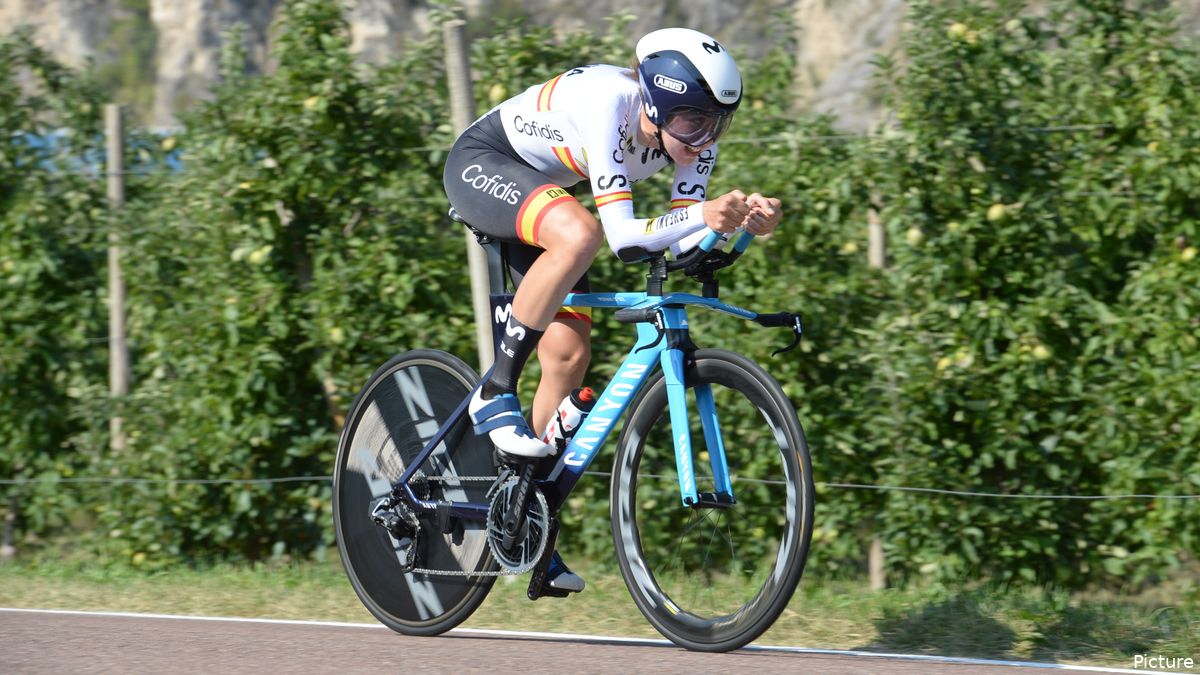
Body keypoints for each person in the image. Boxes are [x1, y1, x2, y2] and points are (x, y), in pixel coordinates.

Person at [441, 27, 783, 595]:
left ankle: (523, 521)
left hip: (543, 195)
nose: (703, 140)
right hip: (485, 164)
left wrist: (739, 223)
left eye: (717, 124)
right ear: (654, 101)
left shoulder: (694, 138)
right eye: (692, 122)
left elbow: (674, 245)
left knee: (570, 356)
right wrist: (705, 214)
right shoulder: (609, 103)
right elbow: (624, 240)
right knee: (581, 233)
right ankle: (494, 387)